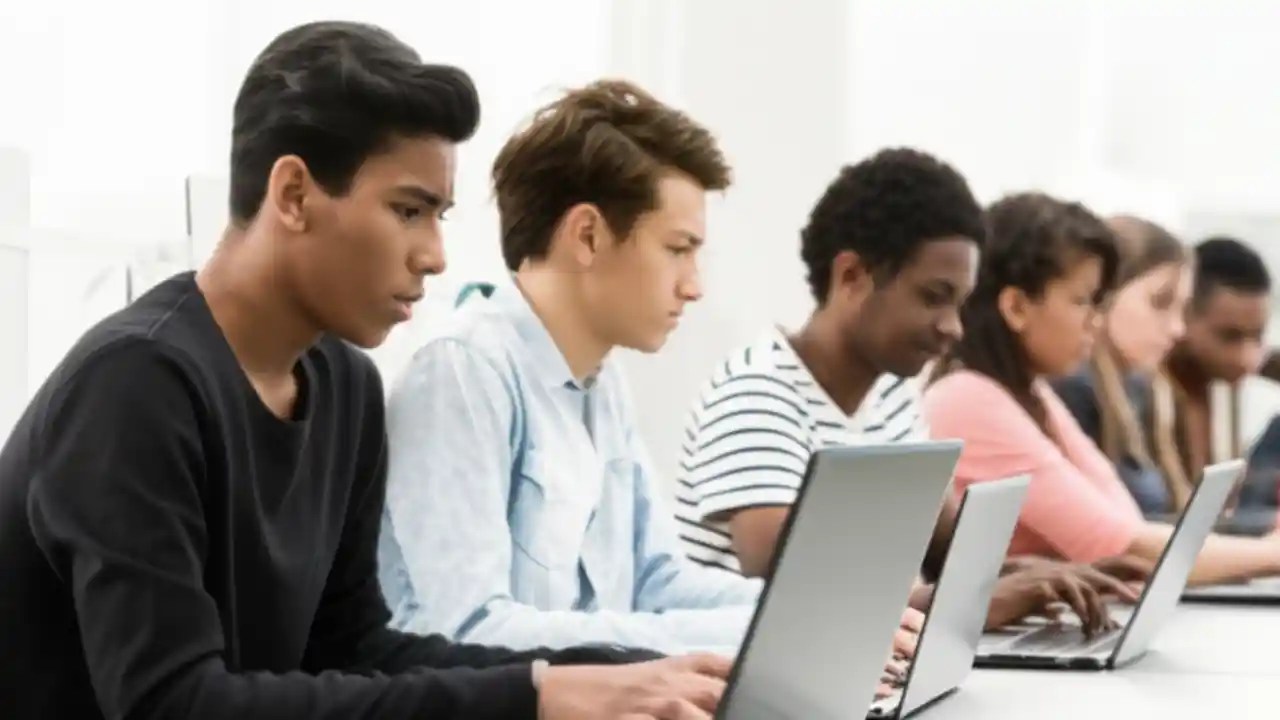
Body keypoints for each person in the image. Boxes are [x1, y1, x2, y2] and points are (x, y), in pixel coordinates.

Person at [0, 22, 734, 720]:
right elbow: (172, 704)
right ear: (293, 196)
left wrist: (587, 674)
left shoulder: (345, 386)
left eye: (440, 214)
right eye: (409, 211)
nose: (436, 254)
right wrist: (531, 700)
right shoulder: (136, 385)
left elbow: (354, 650)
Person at [377, 81, 920, 672]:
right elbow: (467, 629)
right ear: (587, 235)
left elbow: (655, 580)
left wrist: (821, 614)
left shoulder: (600, 380)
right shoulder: (462, 371)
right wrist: (763, 637)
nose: (694, 285)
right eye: (678, 249)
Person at [675, 149, 1145, 638]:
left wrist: (1041, 575)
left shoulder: (892, 398)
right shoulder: (757, 392)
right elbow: (792, 592)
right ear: (851, 276)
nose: (953, 328)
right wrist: (973, 601)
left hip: (874, 664)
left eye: (960, 304)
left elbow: (947, 548)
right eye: (933, 297)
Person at [924, 192, 1280, 587]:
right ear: (1017, 308)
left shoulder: (1032, 394)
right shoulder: (969, 397)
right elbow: (1122, 547)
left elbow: (1122, 521)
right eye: (1083, 302)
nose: (1096, 320)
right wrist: (1271, 553)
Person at [1052, 216, 1194, 516]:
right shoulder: (1073, 388)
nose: (1178, 328)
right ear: (1105, 294)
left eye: (1183, 308)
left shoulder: (1142, 389)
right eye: (1160, 303)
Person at [1164, 237, 1280, 530]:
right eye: (1230, 337)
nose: (1247, 359)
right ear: (1184, 314)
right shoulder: (1146, 389)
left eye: (1258, 336)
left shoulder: (1229, 371)